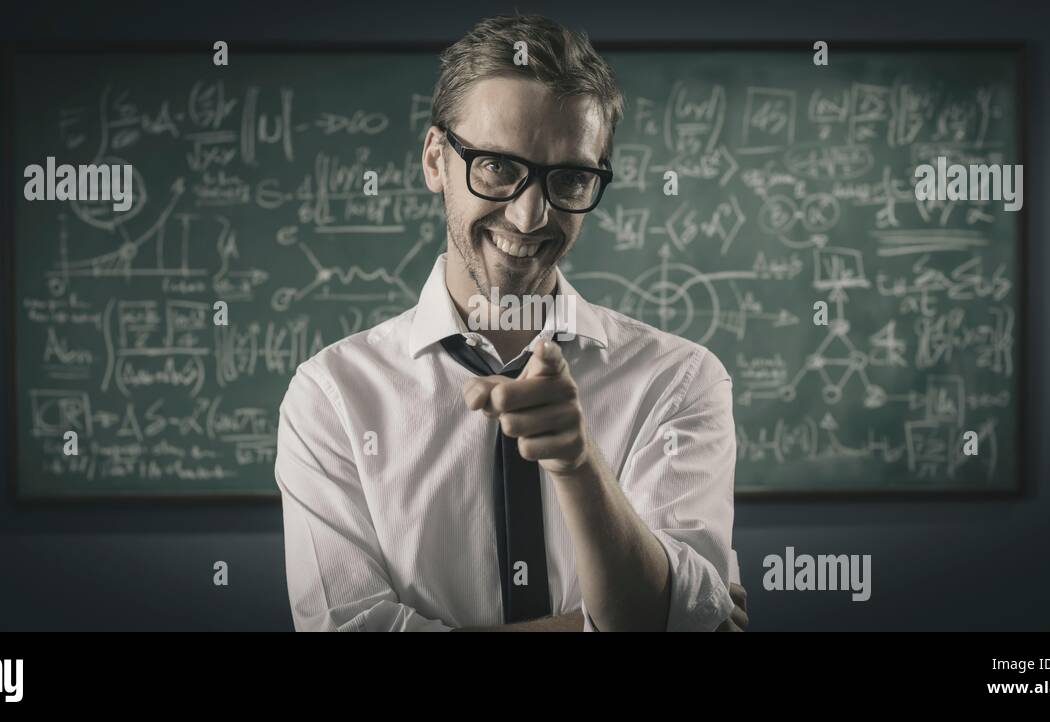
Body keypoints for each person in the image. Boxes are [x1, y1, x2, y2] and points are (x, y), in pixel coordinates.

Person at [275, 14, 747, 631]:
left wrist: (578, 464)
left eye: (569, 177)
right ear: (436, 160)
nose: (529, 217)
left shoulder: (678, 381)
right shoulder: (332, 397)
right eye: (497, 166)